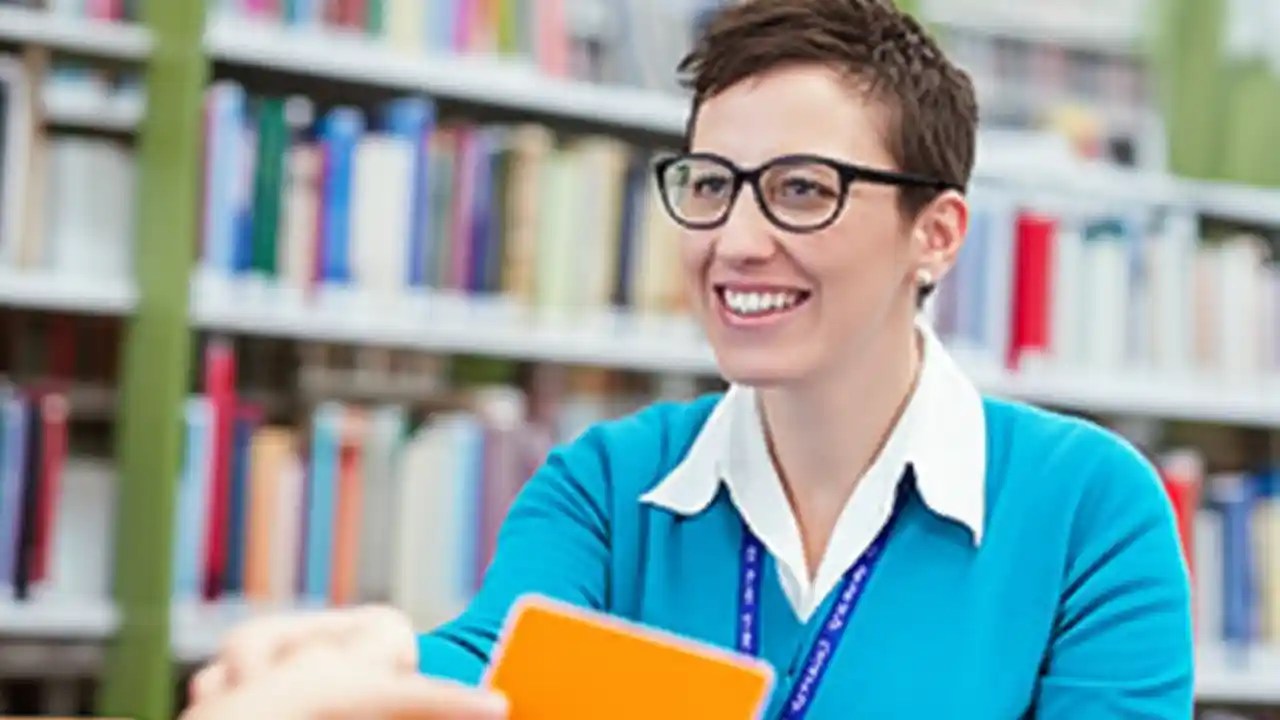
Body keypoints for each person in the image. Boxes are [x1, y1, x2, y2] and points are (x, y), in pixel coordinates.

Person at [185, 0, 1194, 717]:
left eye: (800, 189)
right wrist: (383, 661)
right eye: (710, 184)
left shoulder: (1089, 510)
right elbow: (491, 667)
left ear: (934, 233)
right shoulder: (605, 488)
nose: (734, 240)